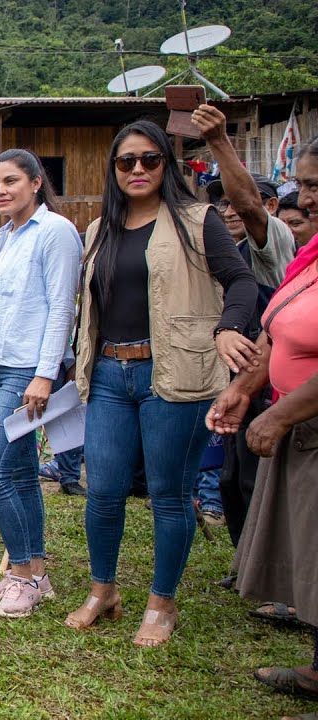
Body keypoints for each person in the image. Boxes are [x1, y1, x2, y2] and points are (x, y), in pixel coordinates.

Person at [67, 119, 257, 646]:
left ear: (166, 166)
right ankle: (103, 589)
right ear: (113, 169)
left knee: (169, 495)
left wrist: (227, 328)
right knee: (102, 490)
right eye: (126, 161)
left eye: (150, 159)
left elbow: (240, 280)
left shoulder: (198, 220)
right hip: (108, 372)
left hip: (174, 373)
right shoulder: (98, 228)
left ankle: (162, 601)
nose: (138, 169)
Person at [207, 134, 318, 703]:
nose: (309, 198)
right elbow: (281, 331)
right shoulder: (310, 255)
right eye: (306, 184)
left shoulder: (280, 237)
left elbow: (249, 205)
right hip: (291, 413)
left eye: (317, 186)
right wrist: (250, 389)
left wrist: (280, 416)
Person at [0, 149, 82, 618]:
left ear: (36, 182)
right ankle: (35, 571)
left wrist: (44, 372)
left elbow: (61, 306)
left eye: (11, 181)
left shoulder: (55, 232)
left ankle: (23, 573)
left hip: (27, 368)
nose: (1, 190)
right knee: (18, 473)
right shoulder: (3, 237)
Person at [194, 104, 297, 553]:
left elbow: (251, 208)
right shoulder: (228, 251)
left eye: (232, 199)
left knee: (263, 480)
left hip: (273, 383)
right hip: (238, 383)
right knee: (233, 477)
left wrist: (218, 140)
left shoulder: (271, 247)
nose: (228, 208)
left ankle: (279, 576)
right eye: (220, 202)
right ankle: (245, 566)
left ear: (272, 205)